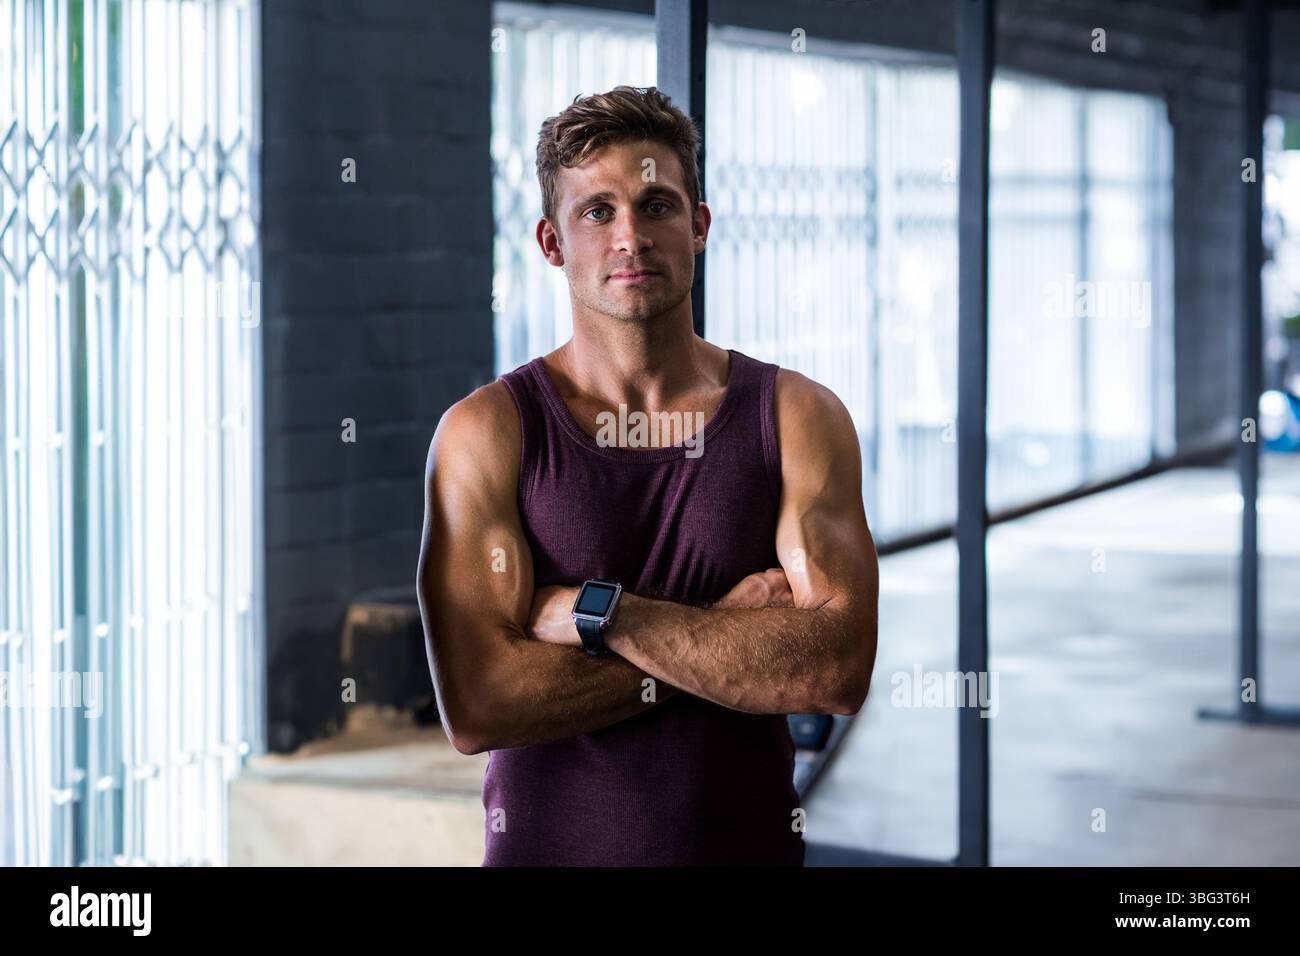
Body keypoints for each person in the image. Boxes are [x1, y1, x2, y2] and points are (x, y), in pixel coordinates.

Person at [417, 85, 878, 866]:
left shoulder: (796, 417)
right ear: (552, 241)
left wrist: (607, 618)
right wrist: (727, 626)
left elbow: (834, 670)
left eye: (656, 203)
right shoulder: (488, 432)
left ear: (697, 226)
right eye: (597, 211)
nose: (630, 236)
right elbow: (480, 702)